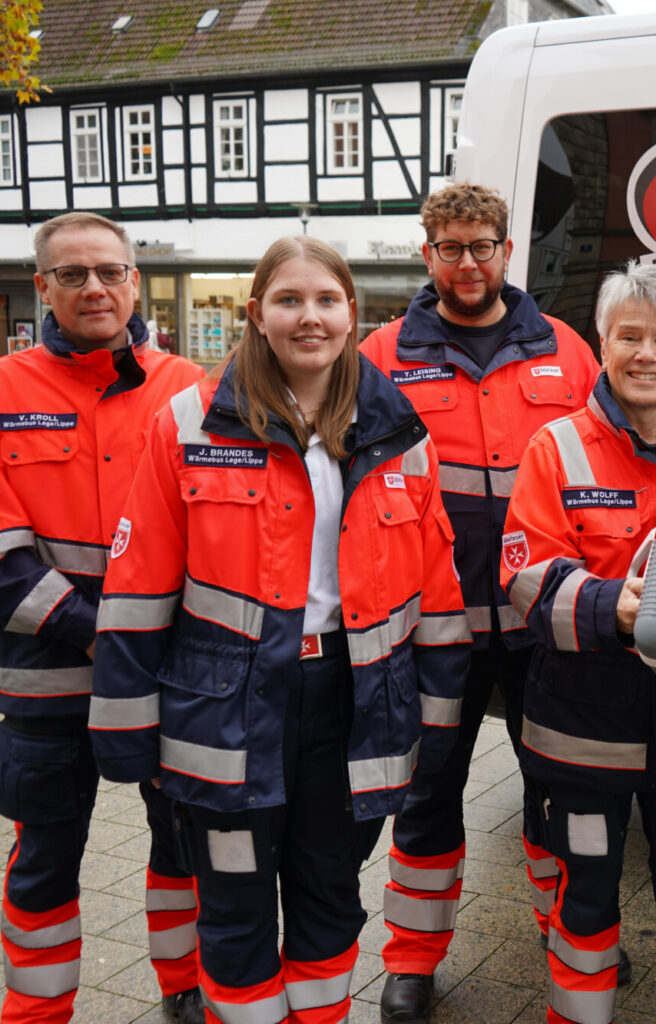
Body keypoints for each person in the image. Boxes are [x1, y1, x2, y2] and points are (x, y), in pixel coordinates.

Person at [88, 237, 471, 1023]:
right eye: (289, 301)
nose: (310, 318)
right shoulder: (186, 424)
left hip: (351, 704)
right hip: (225, 712)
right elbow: (137, 591)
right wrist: (129, 740)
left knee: (330, 901)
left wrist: (432, 727)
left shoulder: (402, 434)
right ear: (257, 314)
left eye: (327, 301)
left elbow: (437, 600)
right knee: (233, 915)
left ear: (352, 315)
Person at [0, 212, 206, 1024]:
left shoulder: (192, 390)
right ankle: (34, 1015)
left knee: (185, 853)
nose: (94, 287)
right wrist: (114, 633)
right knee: (43, 865)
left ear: (134, 280)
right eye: (73, 274)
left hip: (169, 686)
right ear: (43, 287)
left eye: (109, 271)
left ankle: (187, 992)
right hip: (47, 690)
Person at [357, 182, 602, 1023]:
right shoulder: (384, 356)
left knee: (556, 789)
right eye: (451, 248)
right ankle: (412, 960)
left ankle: (569, 934)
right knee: (427, 793)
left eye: (483, 245)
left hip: (545, 623)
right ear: (429, 256)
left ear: (507, 251)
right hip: (436, 624)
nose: (469, 262)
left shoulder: (567, 350)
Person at [502, 261, 656, 1024]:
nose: (645, 354)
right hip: (580, 739)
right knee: (585, 917)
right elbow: (526, 580)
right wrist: (615, 609)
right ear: (601, 344)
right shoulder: (555, 448)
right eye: (628, 335)